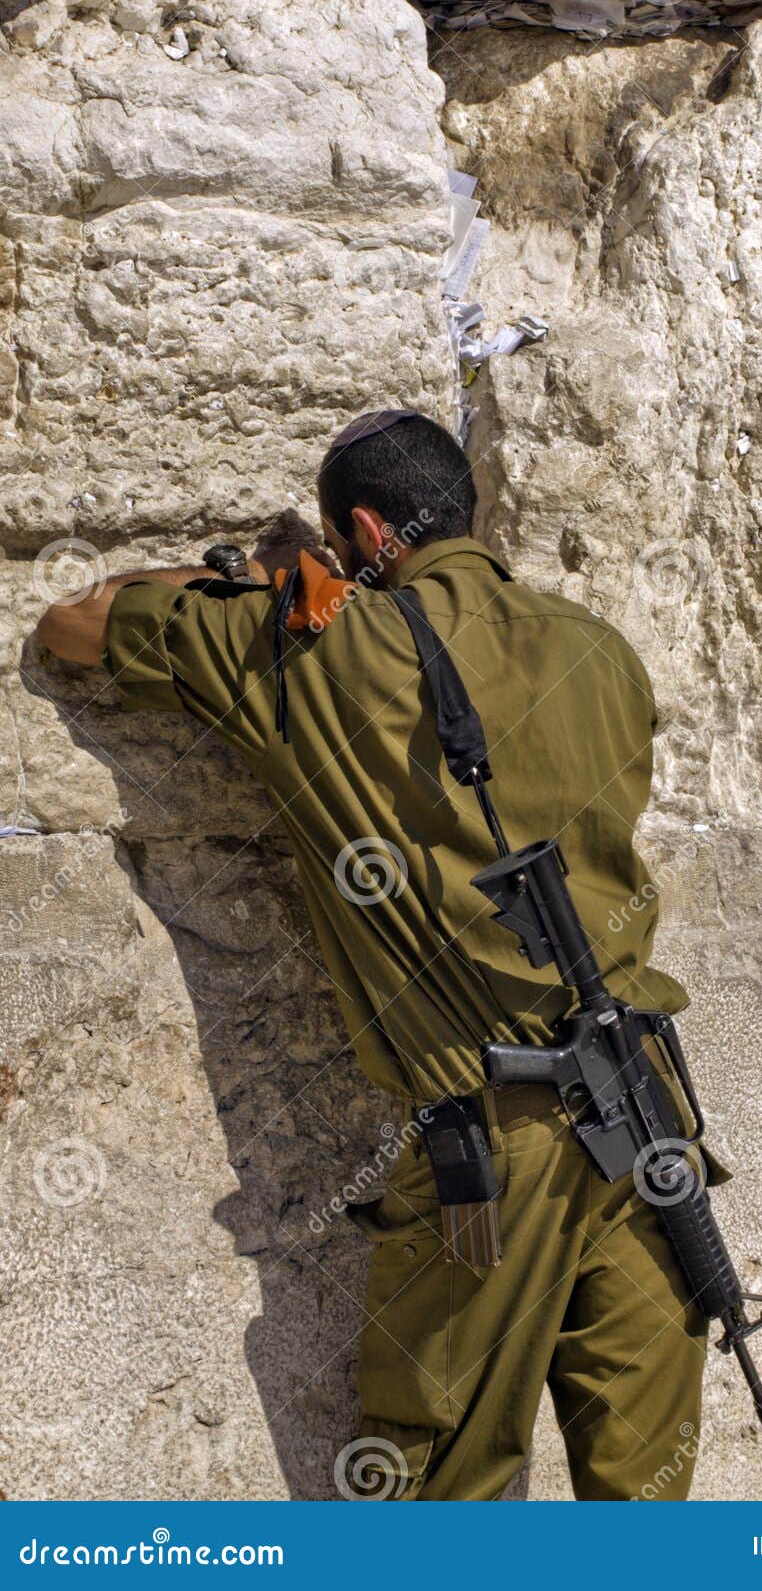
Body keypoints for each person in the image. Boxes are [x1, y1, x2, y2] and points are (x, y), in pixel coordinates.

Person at [35, 409, 714, 1501]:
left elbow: (78, 623)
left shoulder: (322, 647)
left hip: (495, 1143)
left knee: (438, 1491)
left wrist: (257, 578)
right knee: (642, 1505)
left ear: (358, 529)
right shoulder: (600, 651)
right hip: (647, 1119)